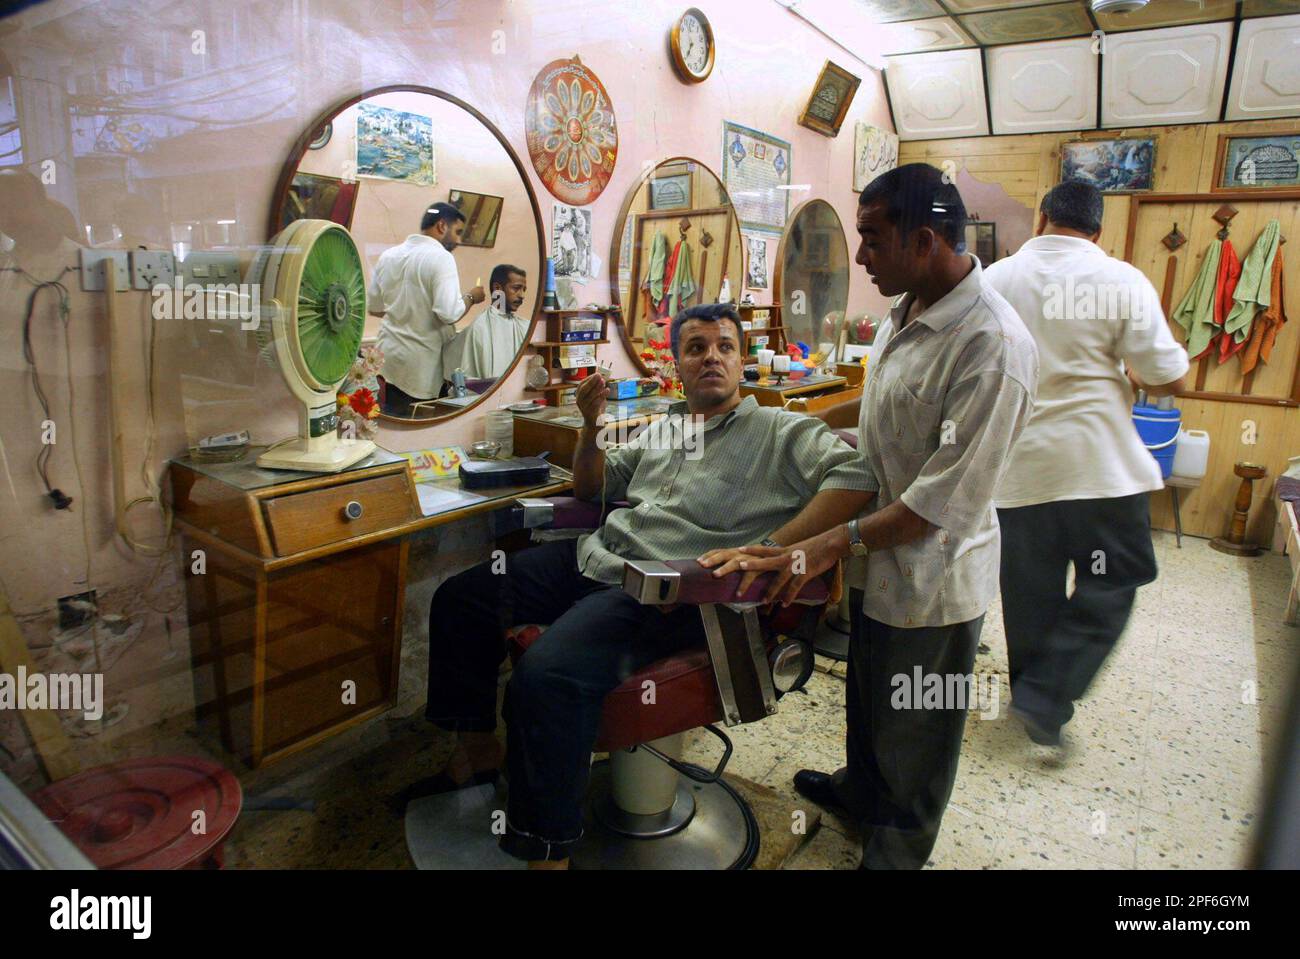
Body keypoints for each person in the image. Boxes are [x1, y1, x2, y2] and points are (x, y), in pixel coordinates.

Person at [413, 302, 875, 868]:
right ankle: (476, 751)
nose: (712, 358)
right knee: (462, 599)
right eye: (696, 348)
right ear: (675, 364)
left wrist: (778, 548)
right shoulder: (666, 427)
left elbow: (858, 478)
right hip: (598, 557)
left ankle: (547, 850)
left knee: (547, 677)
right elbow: (591, 489)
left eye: (725, 347)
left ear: (741, 359)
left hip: (668, 589)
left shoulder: (779, 429)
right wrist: (589, 426)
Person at [704, 164, 1039, 869]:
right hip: (878, 558)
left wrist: (830, 544)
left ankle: (898, 848)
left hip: (934, 576)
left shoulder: (992, 348)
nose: (859, 257)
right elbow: (884, 403)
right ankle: (860, 791)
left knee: (919, 723)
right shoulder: (906, 309)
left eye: (871, 239)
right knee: (870, 695)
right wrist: (797, 419)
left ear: (923, 240)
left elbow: (939, 502)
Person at [983, 180, 1188, 754]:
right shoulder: (1121, 279)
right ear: (1099, 231)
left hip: (1017, 473)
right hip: (1100, 469)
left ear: (1043, 218)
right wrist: (1125, 370)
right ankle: (1046, 695)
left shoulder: (994, 280)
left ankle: (1033, 693)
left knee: (1030, 590)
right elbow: (1168, 375)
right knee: (1116, 576)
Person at [369, 202, 485, 415]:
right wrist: (472, 296)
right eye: (458, 232)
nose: (459, 240)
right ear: (442, 226)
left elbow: (375, 307)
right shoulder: (441, 257)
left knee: (392, 427)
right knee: (417, 434)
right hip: (420, 368)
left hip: (388, 360)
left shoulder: (388, 256)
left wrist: (404, 311)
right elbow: (449, 313)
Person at [457, 264, 530, 380]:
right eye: (516, 288)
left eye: (524, 290)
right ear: (497, 288)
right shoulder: (479, 327)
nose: (522, 295)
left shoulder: (525, 326)